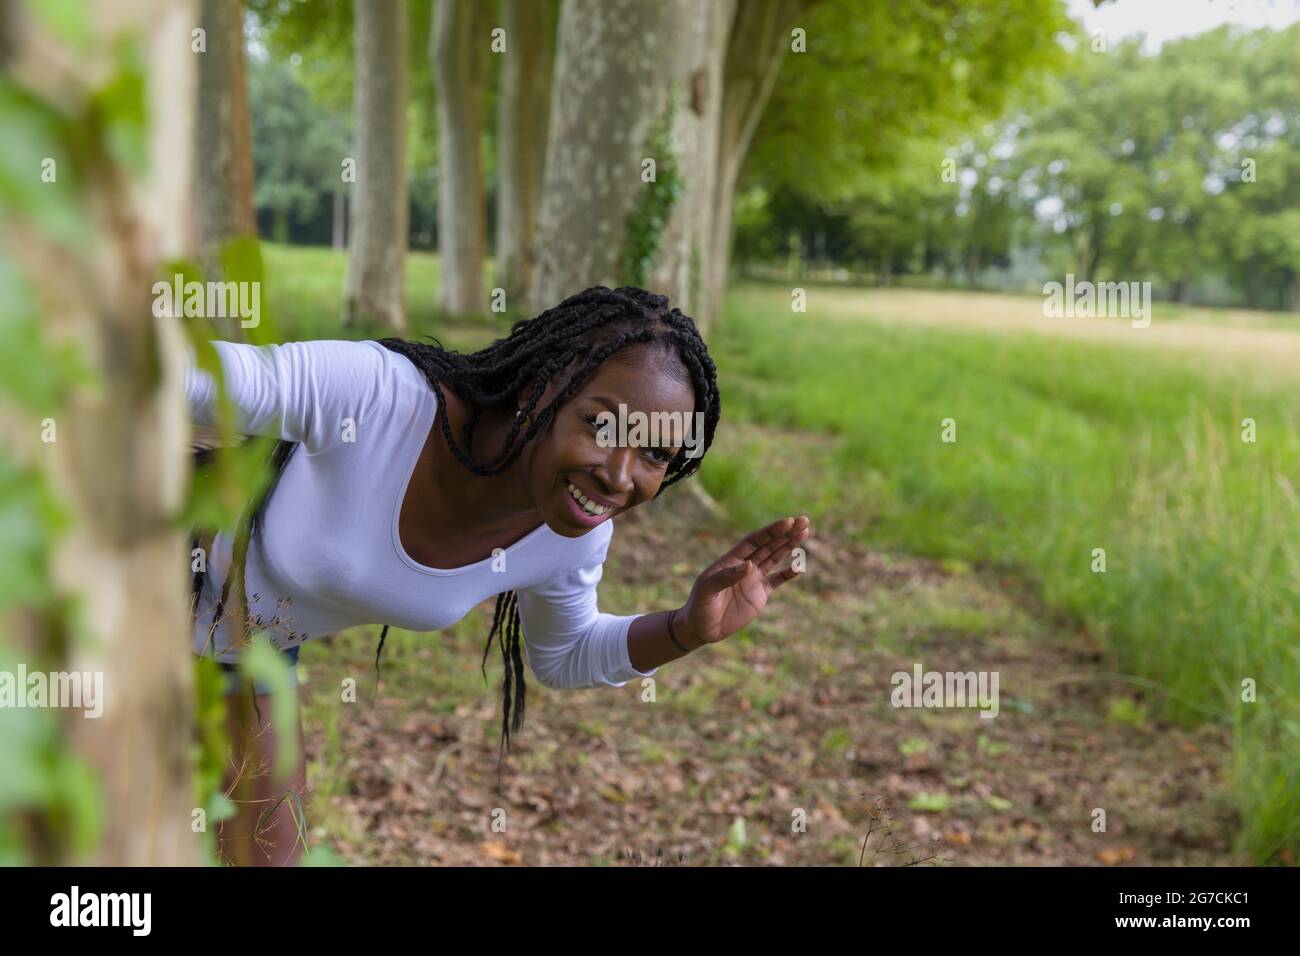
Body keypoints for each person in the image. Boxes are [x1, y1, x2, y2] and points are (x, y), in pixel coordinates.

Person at [186, 285, 811, 865]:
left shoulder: (572, 536)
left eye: (654, 454)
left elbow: (564, 653)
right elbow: (189, 377)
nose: (620, 476)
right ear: (540, 388)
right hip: (133, 569)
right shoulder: (380, 398)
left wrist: (683, 630)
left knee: (265, 855)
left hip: (241, 646)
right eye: (602, 425)